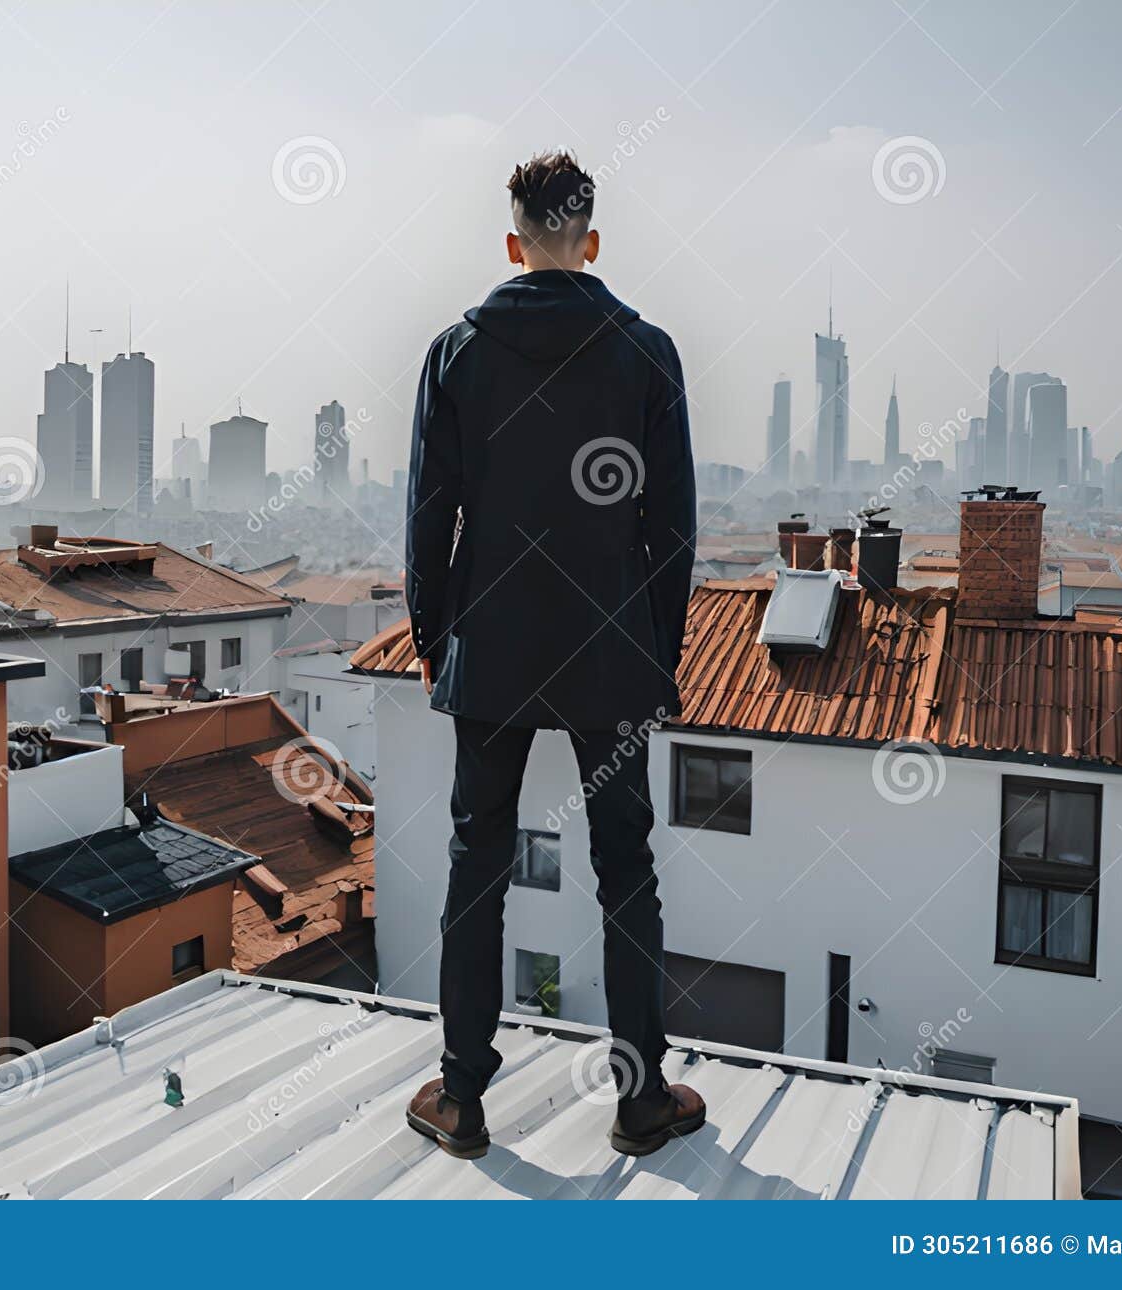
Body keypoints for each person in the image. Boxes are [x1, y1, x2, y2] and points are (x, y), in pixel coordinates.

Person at [403, 150, 701, 1159]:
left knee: (473, 864)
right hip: (613, 650)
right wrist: (654, 651)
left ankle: (463, 1100)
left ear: (513, 241)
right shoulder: (647, 351)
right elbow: (674, 530)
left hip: (489, 646)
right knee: (627, 867)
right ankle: (640, 1098)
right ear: (592, 240)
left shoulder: (456, 352)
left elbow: (427, 520)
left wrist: (438, 640)